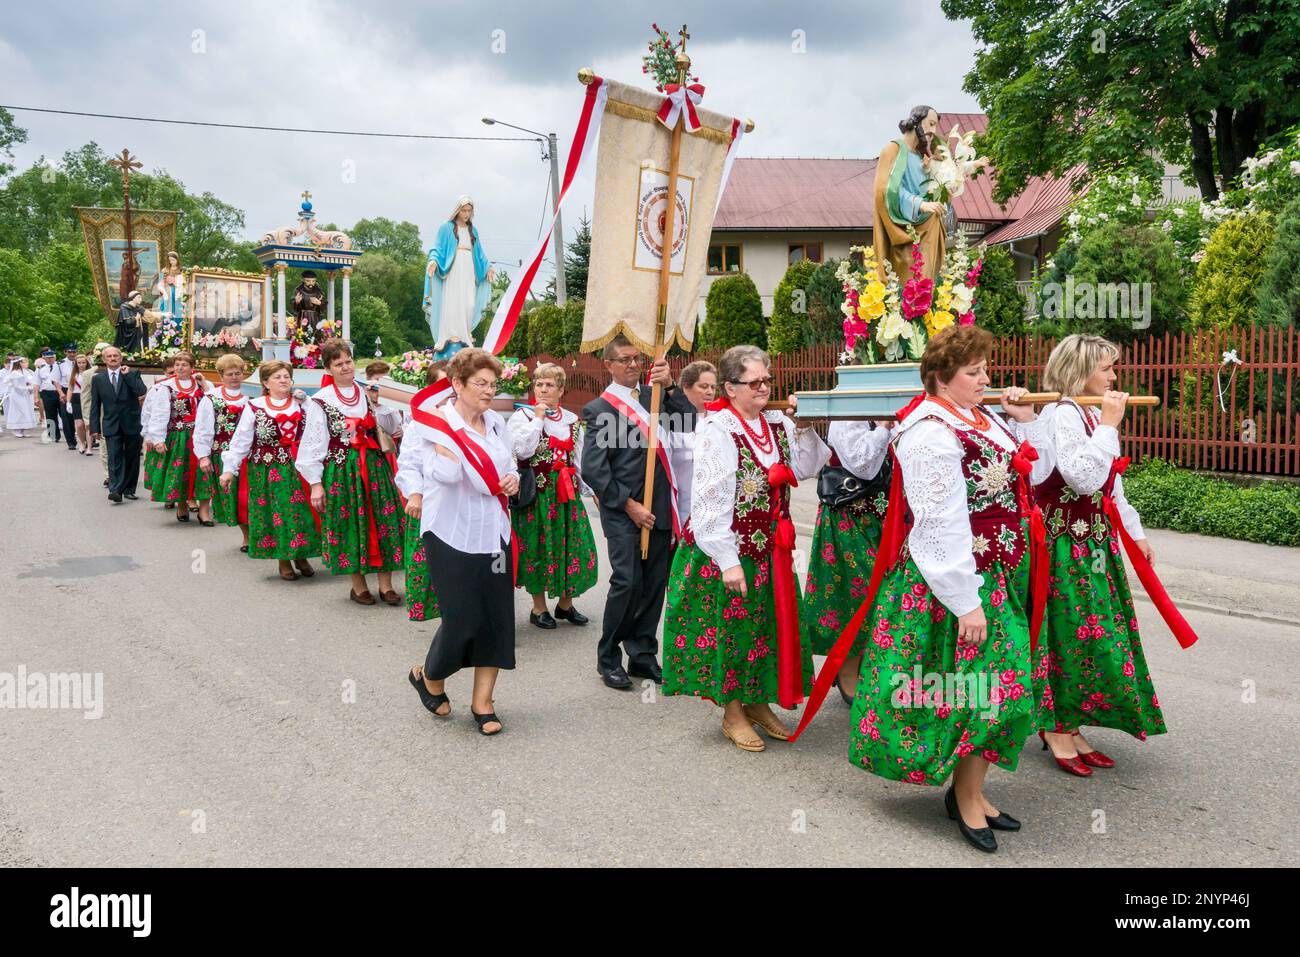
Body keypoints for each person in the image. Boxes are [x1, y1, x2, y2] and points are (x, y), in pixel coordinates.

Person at [837, 325, 1051, 853]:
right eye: (973, 372)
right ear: (939, 376)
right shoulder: (929, 429)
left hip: (993, 574)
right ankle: (966, 795)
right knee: (977, 690)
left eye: (985, 369)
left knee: (996, 689)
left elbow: (1033, 474)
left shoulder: (979, 418)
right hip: (950, 581)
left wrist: (1025, 423)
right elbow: (938, 519)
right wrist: (965, 601)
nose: (986, 380)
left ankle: (970, 791)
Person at [661, 345, 831, 751]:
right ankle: (733, 711)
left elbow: (805, 469)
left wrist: (805, 426)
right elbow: (707, 501)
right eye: (753, 382)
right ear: (730, 387)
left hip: (771, 550)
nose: (762, 388)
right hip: (730, 549)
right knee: (733, 631)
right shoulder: (718, 429)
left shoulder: (776, 422)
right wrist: (727, 561)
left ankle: (757, 701)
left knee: (764, 629)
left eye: (766, 380)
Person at [1032, 334, 1175, 776]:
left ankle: (1069, 724)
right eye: (1106, 369)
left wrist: (1136, 533)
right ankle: (1055, 725)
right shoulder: (1061, 415)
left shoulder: (1089, 414)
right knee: (1066, 632)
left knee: (1091, 634)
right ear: (1079, 372)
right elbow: (1081, 478)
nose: (1114, 377)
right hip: (1062, 544)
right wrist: (1111, 426)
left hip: (1093, 543)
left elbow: (1112, 486)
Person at [399, 347, 520, 736]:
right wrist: (415, 492)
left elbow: (510, 464)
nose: (489, 391)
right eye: (480, 384)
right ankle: (429, 675)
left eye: (493, 384)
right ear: (457, 385)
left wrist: (512, 479)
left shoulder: (498, 423)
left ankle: (483, 703)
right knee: (463, 617)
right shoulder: (432, 425)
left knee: (497, 619)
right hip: (449, 531)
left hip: (494, 532)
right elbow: (424, 471)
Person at [581, 335, 696, 690]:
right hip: (623, 510)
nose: (633, 365)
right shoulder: (599, 409)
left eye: (636, 359)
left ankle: (643, 656)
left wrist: (672, 385)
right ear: (609, 365)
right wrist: (629, 505)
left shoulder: (655, 396)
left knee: (652, 586)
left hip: (660, 506)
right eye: (624, 359)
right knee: (628, 582)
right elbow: (594, 470)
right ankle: (608, 657)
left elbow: (690, 423)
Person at [296, 338, 406, 605]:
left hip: (374, 465)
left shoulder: (366, 392)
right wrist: (315, 483)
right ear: (328, 368)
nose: (345, 367)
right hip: (342, 468)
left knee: (384, 519)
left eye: (348, 361)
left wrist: (380, 403)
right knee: (349, 523)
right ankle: (358, 585)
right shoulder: (321, 400)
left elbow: (393, 426)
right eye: (338, 364)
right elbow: (313, 442)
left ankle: (386, 584)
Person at [801, 419, 893, 704]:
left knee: (886, 593)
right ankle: (848, 666)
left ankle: (870, 664)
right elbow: (862, 465)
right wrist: (884, 428)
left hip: (884, 515)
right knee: (857, 593)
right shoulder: (848, 416)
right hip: (849, 516)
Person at [508, 362, 598, 630]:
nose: (543, 389)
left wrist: (591, 491)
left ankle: (565, 604)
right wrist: (538, 418)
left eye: (549, 385)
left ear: (561, 389)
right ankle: (539, 608)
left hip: (566, 497)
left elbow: (578, 460)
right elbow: (521, 451)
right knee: (537, 549)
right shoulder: (523, 418)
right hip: (538, 497)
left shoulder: (571, 420)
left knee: (572, 546)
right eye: (539, 384)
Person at [220, 360, 320, 579]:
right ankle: (283, 560)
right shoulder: (255, 406)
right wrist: (229, 469)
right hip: (267, 471)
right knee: (276, 515)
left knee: (299, 515)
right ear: (265, 382)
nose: (283, 380)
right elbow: (241, 440)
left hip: (297, 468)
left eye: (286, 376)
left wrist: (309, 401)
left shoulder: (303, 403)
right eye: (277, 377)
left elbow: (318, 429)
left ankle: (300, 554)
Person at [399, 362, 452, 623]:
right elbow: (408, 463)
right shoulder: (419, 425)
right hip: (431, 503)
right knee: (433, 563)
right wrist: (415, 494)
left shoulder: (470, 419)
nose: (447, 394)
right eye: (440, 386)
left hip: (462, 503)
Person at [423, 196, 494, 359]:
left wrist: (488, 266)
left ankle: (465, 336)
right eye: (463, 210)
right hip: (453, 269)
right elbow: (437, 248)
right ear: (457, 210)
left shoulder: (472, 230)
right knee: (452, 302)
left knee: (469, 304)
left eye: (469, 211)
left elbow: (480, 253)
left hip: (468, 268)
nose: (466, 214)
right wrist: (433, 261)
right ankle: (448, 337)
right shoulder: (446, 228)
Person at [142, 352, 210, 522]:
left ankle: (204, 511)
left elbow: (212, 404)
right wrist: (157, 438)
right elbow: (159, 413)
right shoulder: (166, 387)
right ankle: (181, 504)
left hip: (200, 435)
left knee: (204, 473)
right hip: (178, 437)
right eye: (177, 364)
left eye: (184, 364)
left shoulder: (201, 385)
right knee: (180, 471)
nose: (180, 368)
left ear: (191, 367)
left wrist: (205, 385)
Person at [194, 354, 251, 544]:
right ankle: (246, 535)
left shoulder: (252, 396)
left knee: (250, 495)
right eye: (229, 374)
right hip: (224, 454)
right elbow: (203, 429)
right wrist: (203, 456)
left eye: (238, 373)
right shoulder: (212, 399)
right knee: (234, 497)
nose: (234, 377)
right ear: (221, 375)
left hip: (250, 453)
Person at [87, 345, 148, 502]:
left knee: (132, 457)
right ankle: (115, 490)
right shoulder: (98, 379)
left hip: (132, 422)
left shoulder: (132, 373)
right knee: (114, 457)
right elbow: (95, 404)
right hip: (111, 424)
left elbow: (141, 391)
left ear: (121, 358)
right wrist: (94, 427)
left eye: (115, 356)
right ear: (104, 359)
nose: (113, 358)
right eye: (109, 356)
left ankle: (129, 489)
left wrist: (127, 376)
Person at [669, 360, 718, 519]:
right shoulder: (671, 423)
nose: (710, 391)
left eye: (713, 387)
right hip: (683, 511)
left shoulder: (722, 421)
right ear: (686, 387)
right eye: (703, 386)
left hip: (715, 512)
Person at [141, 355, 179, 501]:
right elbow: (148, 413)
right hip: (160, 434)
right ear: (164, 373)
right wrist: (149, 436)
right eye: (170, 373)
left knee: (178, 468)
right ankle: (167, 496)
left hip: (178, 433)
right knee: (163, 467)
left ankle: (187, 500)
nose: (174, 376)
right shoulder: (158, 389)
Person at [2, 355, 39, 438]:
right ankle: (16, 429)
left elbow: (32, 381)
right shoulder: (15, 373)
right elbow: (16, 386)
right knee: (18, 411)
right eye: (24, 362)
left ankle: (23, 429)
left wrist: (31, 387)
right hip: (18, 395)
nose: (27, 363)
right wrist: (28, 388)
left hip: (26, 395)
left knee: (26, 411)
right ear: (19, 363)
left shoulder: (26, 371)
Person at [35, 348, 65, 445]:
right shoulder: (40, 369)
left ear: (55, 357)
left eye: (52, 357)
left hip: (60, 392)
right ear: (44, 358)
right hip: (47, 393)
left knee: (64, 414)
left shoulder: (60, 366)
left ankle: (70, 434)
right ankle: (53, 435)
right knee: (50, 415)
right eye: (48, 358)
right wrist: (36, 397)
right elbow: (36, 384)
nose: (50, 359)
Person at [67, 353, 95, 454]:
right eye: (79, 363)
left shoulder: (92, 373)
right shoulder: (74, 374)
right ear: (76, 364)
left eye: (83, 362)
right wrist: (68, 402)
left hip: (88, 398)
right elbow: (70, 388)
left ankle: (89, 447)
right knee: (79, 424)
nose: (81, 364)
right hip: (76, 398)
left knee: (88, 424)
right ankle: (82, 443)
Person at [56, 345, 78, 449]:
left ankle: (87, 440)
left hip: (79, 390)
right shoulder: (60, 364)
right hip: (65, 390)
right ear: (66, 352)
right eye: (70, 352)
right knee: (66, 417)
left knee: (81, 416)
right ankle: (71, 441)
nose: (72, 354)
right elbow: (55, 381)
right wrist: (61, 394)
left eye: (74, 352)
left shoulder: (81, 361)